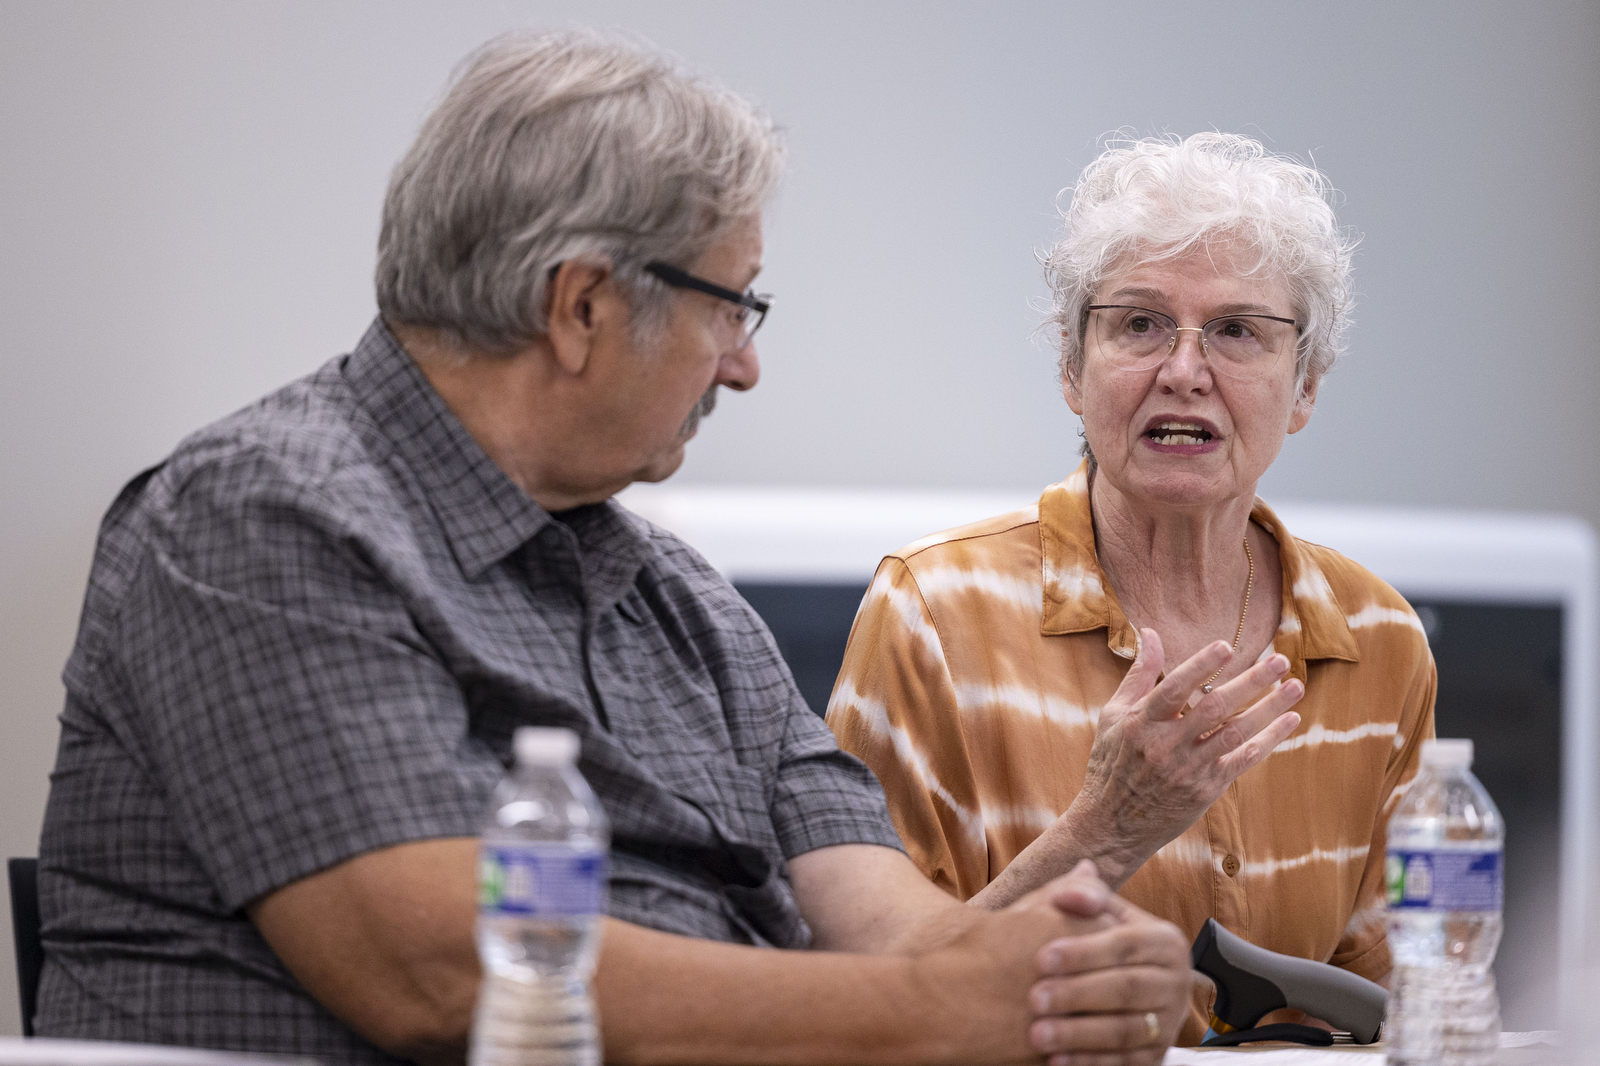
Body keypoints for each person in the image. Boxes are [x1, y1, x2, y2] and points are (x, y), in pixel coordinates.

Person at [34, 29, 1193, 1066]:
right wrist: (945, 1013)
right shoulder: (262, 517)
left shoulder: (676, 593)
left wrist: (1060, 972)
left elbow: (901, 939)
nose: (743, 365)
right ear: (581, 306)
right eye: (731, 306)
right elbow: (436, 974)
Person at [828, 133, 1436, 1045]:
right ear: (1073, 370)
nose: (1184, 371)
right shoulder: (933, 612)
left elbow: (1399, 1008)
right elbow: (856, 1012)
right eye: (1140, 323)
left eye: (1236, 331)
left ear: (1305, 387)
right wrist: (1102, 832)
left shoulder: (1379, 636)